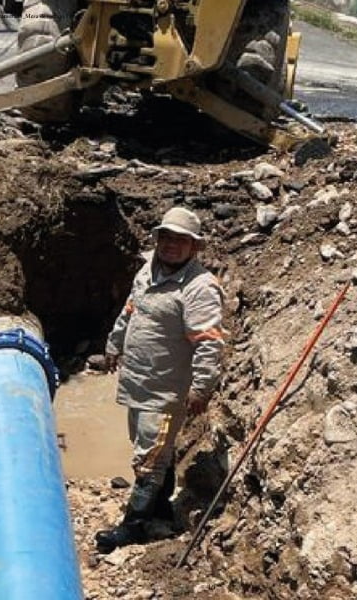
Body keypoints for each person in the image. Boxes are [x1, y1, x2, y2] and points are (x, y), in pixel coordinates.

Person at [94, 206, 225, 554]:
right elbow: (129, 310)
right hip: (137, 384)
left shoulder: (200, 288)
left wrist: (201, 387)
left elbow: (209, 343)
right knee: (151, 451)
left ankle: (133, 525)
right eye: (166, 237)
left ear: (194, 247)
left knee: (149, 460)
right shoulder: (147, 270)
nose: (170, 245)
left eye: (180, 240)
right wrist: (114, 343)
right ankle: (162, 508)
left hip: (166, 392)